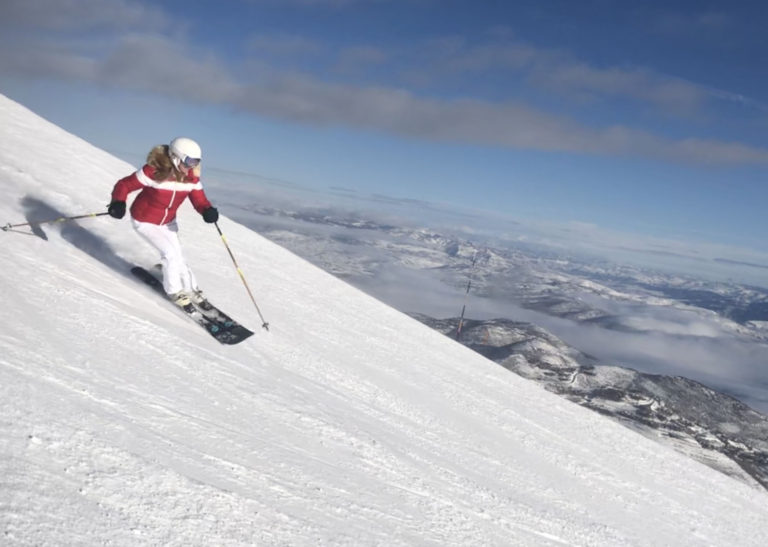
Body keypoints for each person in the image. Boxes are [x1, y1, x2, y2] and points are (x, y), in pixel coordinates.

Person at [107, 137, 219, 311]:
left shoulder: (191, 179)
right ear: (176, 157)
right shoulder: (154, 172)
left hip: (167, 222)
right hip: (145, 220)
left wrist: (207, 210)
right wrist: (118, 202)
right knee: (170, 254)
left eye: (196, 162)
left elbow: (199, 199)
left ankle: (191, 290)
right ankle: (175, 291)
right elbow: (124, 185)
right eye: (189, 161)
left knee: (179, 256)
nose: (192, 166)